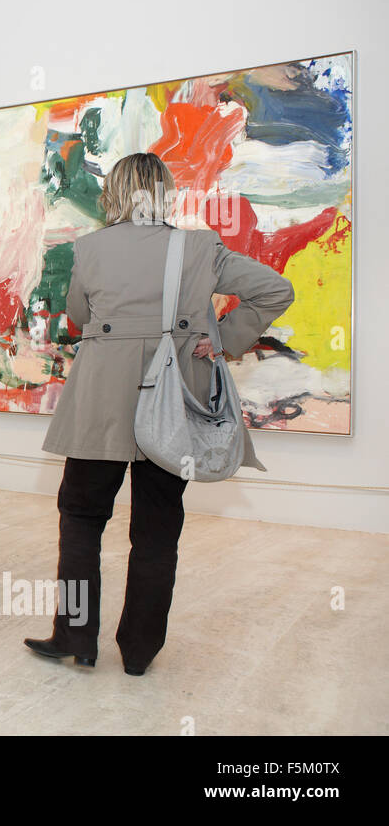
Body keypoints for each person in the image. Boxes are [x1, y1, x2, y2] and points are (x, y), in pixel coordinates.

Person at [28, 152, 294, 675]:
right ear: (165, 192)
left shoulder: (89, 248)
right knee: (156, 530)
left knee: (81, 520)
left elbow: (80, 317)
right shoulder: (199, 246)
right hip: (175, 403)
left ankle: (76, 638)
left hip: (101, 399)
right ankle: (139, 652)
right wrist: (219, 338)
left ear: (116, 193)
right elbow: (274, 289)